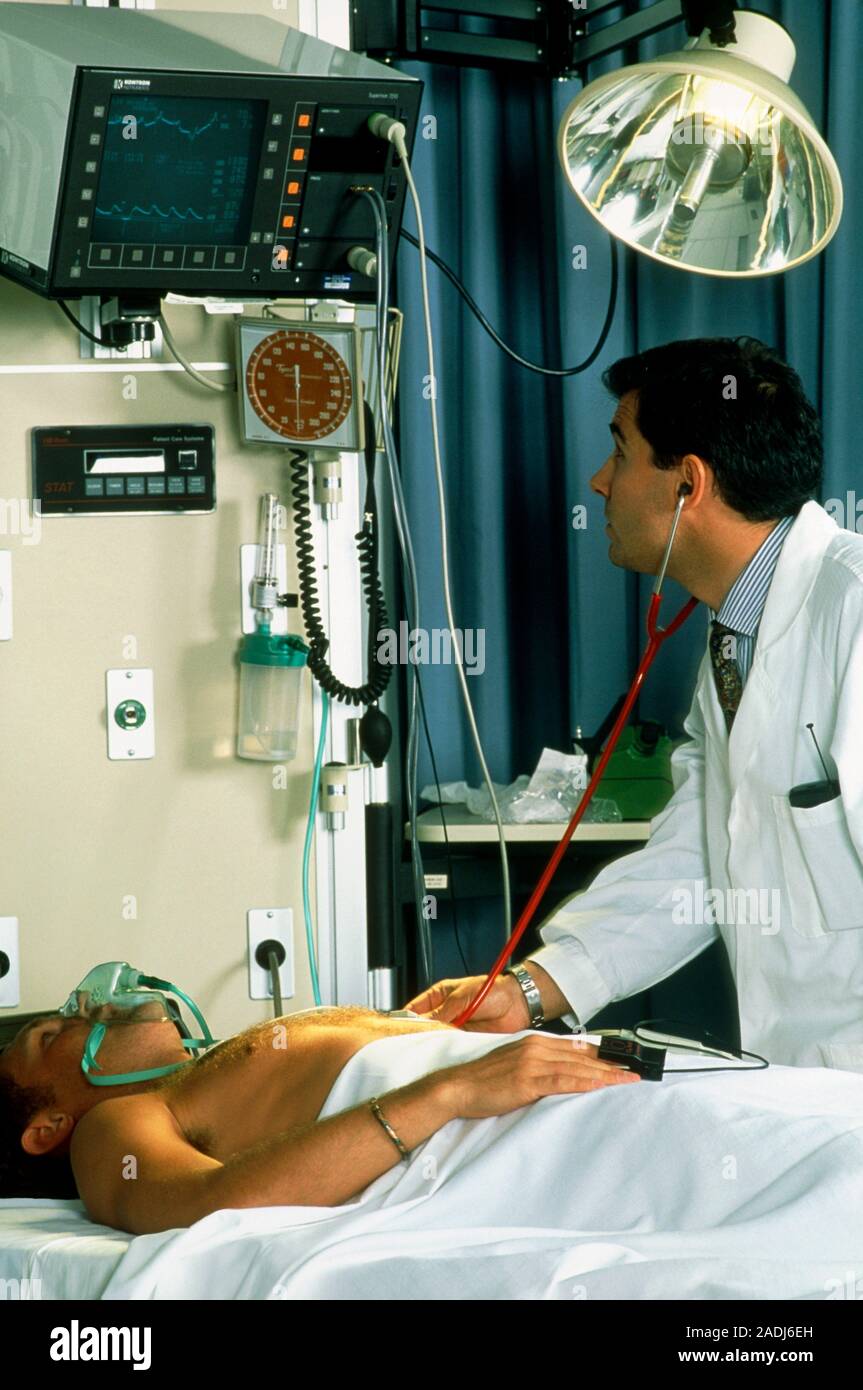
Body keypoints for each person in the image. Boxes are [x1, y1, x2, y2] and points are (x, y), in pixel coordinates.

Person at [407, 337, 863, 1073]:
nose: (597, 481)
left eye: (619, 453)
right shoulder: (733, 638)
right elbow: (699, 858)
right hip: (806, 1088)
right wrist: (531, 989)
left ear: (687, 484)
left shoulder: (853, 613)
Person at [0, 1004, 638, 1232]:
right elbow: (217, 1206)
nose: (89, 1009)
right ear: (48, 1127)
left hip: (579, 1080)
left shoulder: (209, 1078)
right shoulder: (117, 1126)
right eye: (51, 1034)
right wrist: (450, 1089)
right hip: (533, 1123)